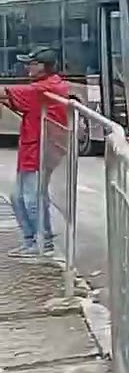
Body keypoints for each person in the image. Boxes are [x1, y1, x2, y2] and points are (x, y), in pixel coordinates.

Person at [0, 48, 69, 258]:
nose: (27, 67)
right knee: (19, 196)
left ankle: (41, 241)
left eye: (32, 63)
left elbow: (6, 94)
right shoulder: (48, 86)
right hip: (34, 147)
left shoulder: (44, 88)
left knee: (31, 198)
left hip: (40, 149)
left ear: (43, 66)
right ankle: (32, 240)